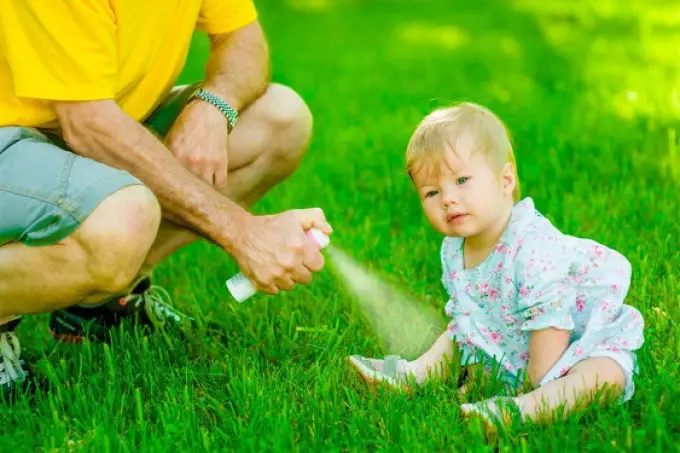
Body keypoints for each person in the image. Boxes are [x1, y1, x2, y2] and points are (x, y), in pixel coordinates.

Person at [0, 1, 333, 397]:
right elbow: (88, 125)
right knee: (124, 219)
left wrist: (214, 104)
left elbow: (243, 40)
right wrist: (243, 232)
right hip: (15, 131)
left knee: (280, 119)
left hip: (98, 121)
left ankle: (100, 305)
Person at [348, 103, 644, 432]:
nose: (447, 198)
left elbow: (552, 328)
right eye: (432, 192)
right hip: (514, 335)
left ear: (505, 180)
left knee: (605, 375)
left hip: (575, 339)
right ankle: (416, 373)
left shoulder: (533, 248)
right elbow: (472, 321)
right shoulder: (454, 248)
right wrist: (480, 374)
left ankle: (524, 410)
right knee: (458, 329)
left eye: (461, 180)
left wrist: (527, 386)